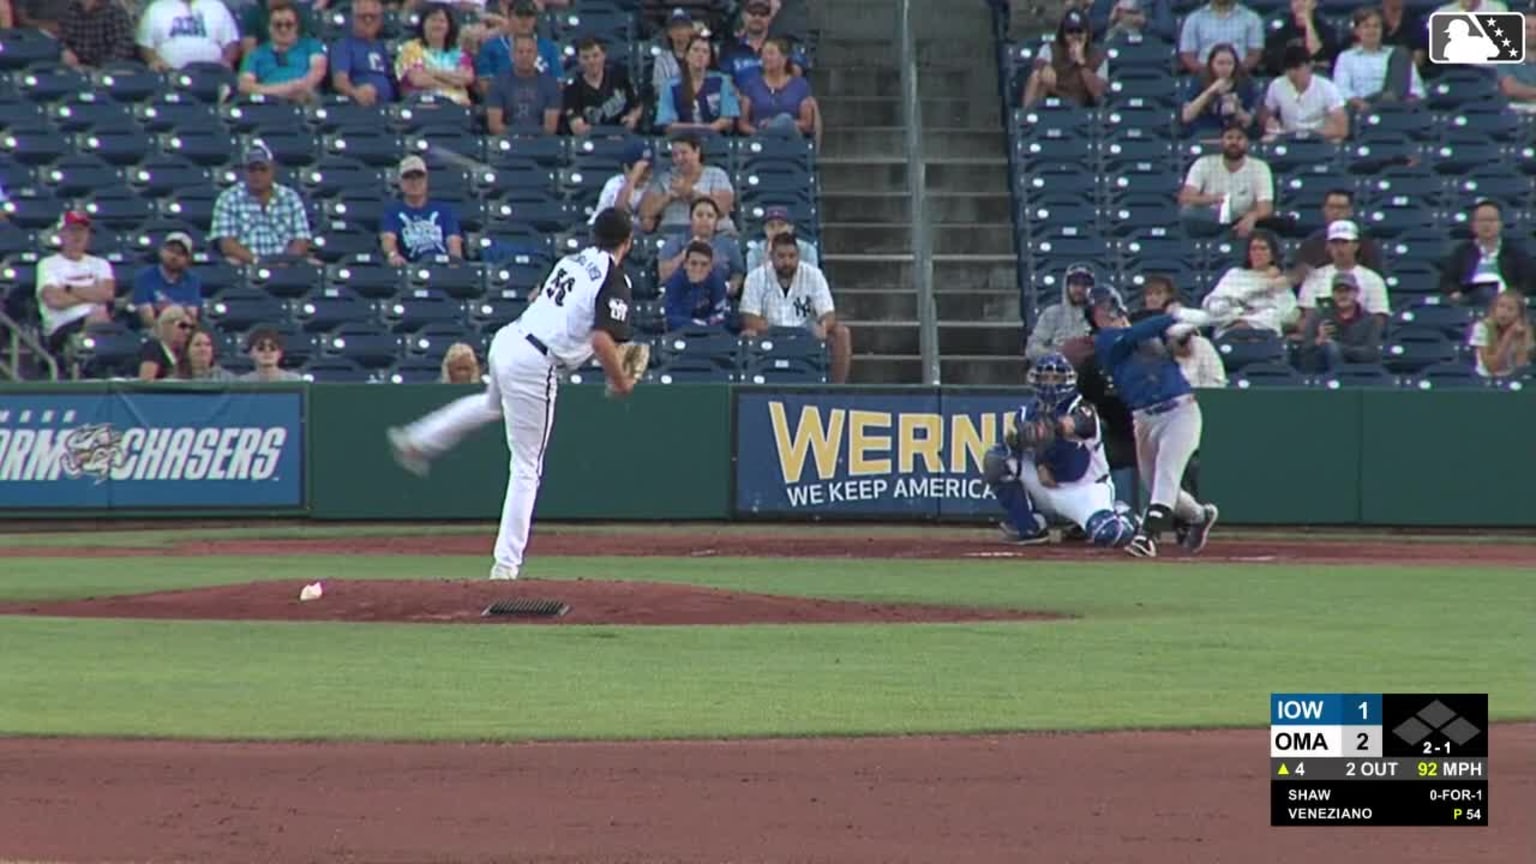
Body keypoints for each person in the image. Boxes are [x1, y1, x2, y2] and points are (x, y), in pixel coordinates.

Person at [386, 209, 642, 581]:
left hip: (510, 340)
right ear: (628, 242)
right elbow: (603, 339)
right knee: (526, 468)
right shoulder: (613, 278)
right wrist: (620, 382)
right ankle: (505, 567)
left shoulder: (571, 260)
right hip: (535, 362)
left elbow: (540, 296)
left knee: (491, 405)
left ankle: (418, 441)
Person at [1087, 285, 1226, 558]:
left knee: (1166, 474)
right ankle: (1200, 515)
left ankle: (1147, 536)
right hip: (1143, 418)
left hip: (1179, 410)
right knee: (1159, 488)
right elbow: (1134, 336)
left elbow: (1180, 348)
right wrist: (1174, 316)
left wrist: (1182, 334)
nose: (1101, 314)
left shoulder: (1148, 329)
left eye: (1104, 306)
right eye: (1096, 310)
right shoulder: (1106, 340)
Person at [982, 352, 1140, 547]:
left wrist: (1053, 428)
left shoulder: (1081, 406)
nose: (1050, 383)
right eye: (1045, 378)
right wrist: (1030, 453)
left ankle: (1124, 514)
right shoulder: (1026, 413)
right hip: (1048, 484)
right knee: (997, 458)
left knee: (1108, 534)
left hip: (1084, 488)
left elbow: (1082, 425)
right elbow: (1023, 443)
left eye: (1056, 378)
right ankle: (1029, 527)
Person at [739, 232, 853, 383]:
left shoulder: (814, 275)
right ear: (771, 256)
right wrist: (778, 331)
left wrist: (823, 326)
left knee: (841, 333)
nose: (787, 261)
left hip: (807, 333)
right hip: (768, 333)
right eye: (781, 256)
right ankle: (749, 388)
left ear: (798, 256)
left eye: (791, 256)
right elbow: (749, 317)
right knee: (747, 335)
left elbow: (828, 312)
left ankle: (835, 390)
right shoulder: (755, 277)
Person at [210, 144, 313, 265]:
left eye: (263, 169)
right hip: (246, 264)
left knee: (313, 264)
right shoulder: (228, 198)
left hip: (286, 264)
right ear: (244, 171)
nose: (257, 174)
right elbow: (227, 244)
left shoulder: (290, 197)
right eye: (252, 169)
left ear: (272, 170)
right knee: (230, 262)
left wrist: (287, 262)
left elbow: (301, 239)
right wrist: (257, 261)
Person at [37, 210, 116, 356]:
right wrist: (92, 293)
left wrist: (68, 289)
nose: (77, 235)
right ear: (61, 234)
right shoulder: (48, 264)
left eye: (82, 230)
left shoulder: (100, 264)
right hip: (63, 327)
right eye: (72, 230)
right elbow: (55, 300)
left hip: (100, 321)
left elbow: (107, 295)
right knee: (98, 317)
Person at [1204, 229, 1297, 336]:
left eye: (1263, 249)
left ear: (1273, 253)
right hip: (1231, 327)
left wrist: (1249, 322)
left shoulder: (1280, 281)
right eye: (1253, 249)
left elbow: (1286, 312)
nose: (1258, 253)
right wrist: (1236, 314)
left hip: (1264, 332)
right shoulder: (1235, 274)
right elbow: (1213, 303)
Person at [1331, 6, 1425, 110]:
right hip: (1362, 106)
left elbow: (1417, 89)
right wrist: (1360, 104)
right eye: (1366, 26)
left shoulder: (1397, 55)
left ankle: (1389, 102)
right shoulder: (1346, 57)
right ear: (1357, 31)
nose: (1372, 30)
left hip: (1397, 107)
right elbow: (1341, 89)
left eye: (1376, 26)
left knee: (1402, 54)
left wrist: (1410, 101)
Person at [237, 0, 328, 103]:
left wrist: (301, 87)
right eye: (278, 25)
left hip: (305, 99)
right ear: (269, 28)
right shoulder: (256, 54)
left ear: (296, 26)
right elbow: (245, 85)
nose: (283, 29)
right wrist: (285, 90)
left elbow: (318, 71)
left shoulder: (312, 45)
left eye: (288, 25)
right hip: (269, 103)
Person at [381, 155, 465, 264]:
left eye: (419, 177)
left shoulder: (444, 210)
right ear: (400, 182)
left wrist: (455, 263)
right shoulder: (392, 212)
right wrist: (393, 255)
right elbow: (388, 239)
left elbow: (454, 242)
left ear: (426, 180)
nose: (414, 182)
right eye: (408, 177)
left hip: (443, 267)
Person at [1296, 272, 1384, 373]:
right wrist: (1319, 340)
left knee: (1333, 348)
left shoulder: (1370, 320)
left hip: (1357, 371)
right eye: (1338, 291)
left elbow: (1371, 353)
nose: (1343, 295)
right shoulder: (1320, 317)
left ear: (1356, 292)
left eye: (1347, 291)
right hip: (1323, 372)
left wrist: (1340, 349)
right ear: (1332, 294)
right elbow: (1304, 349)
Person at [1022, 8, 1109, 108]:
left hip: (1081, 109)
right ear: (1063, 34)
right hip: (1052, 100)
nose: (1075, 35)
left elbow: (1099, 93)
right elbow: (1037, 66)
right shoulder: (1050, 49)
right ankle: (1027, 116)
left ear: (1087, 33)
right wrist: (1044, 67)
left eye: (1079, 31)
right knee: (1037, 76)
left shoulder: (1098, 56)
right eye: (1070, 31)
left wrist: (1081, 64)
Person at [656, 35, 741, 136]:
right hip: (681, 141)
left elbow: (728, 120)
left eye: (705, 51)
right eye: (695, 50)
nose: (700, 55)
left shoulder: (723, 81)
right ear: (687, 55)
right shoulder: (670, 86)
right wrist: (698, 130)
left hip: (715, 140)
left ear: (709, 59)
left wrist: (707, 130)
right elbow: (667, 125)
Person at [395, 3, 475, 105]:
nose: (437, 25)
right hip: (423, 105)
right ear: (423, 23)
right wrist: (452, 82)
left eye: (442, 21)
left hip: (458, 106)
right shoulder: (410, 48)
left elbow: (466, 78)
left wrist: (431, 72)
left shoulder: (459, 52)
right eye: (433, 20)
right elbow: (418, 80)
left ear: (449, 26)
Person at [561, 37, 642, 134]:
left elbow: (637, 105)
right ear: (579, 60)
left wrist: (633, 117)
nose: (591, 61)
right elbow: (577, 128)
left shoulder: (619, 77)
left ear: (604, 56)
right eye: (585, 57)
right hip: (593, 142)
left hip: (624, 137)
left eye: (595, 56)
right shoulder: (572, 89)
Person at [737, 37, 816, 136]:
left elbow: (806, 123)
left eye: (770, 53)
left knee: (785, 119)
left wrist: (775, 125)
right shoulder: (751, 85)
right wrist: (762, 133)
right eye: (763, 54)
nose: (765, 57)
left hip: (791, 140)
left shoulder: (801, 85)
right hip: (760, 139)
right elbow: (743, 124)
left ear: (784, 58)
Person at [485, 34, 563, 135]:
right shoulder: (497, 83)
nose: (524, 56)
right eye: (520, 52)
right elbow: (494, 126)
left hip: (541, 143)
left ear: (536, 55)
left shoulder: (551, 84)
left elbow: (550, 128)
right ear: (512, 55)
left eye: (529, 51)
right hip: (506, 142)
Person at [1180, 43, 1257, 139]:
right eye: (1220, 63)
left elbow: (1248, 122)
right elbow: (1186, 116)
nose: (1225, 68)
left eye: (1229, 63)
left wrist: (1237, 108)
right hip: (1205, 133)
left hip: (1235, 136)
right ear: (1211, 63)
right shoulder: (1199, 80)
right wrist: (1209, 92)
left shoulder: (1245, 83)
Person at [330, 0, 398, 106]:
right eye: (363, 16)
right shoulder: (344, 45)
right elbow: (340, 81)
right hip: (359, 107)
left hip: (387, 107)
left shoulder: (382, 46)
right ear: (353, 18)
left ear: (380, 19)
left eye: (373, 16)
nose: (368, 20)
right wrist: (355, 92)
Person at [1025, 262, 1096, 361]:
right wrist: (1059, 355)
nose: (1080, 289)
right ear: (1066, 286)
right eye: (1075, 283)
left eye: (1085, 285)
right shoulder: (1052, 314)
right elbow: (1032, 348)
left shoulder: (1099, 316)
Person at [131, 232, 202, 328]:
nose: (174, 256)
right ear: (161, 251)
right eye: (171, 250)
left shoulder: (192, 279)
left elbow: (192, 316)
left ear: (188, 259)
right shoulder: (144, 276)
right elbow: (147, 319)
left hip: (184, 332)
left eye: (180, 253)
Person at [662, 240, 729, 330]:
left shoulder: (717, 282)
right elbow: (671, 318)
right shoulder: (674, 282)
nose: (698, 269)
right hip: (680, 334)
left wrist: (701, 324)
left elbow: (721, 316)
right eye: (693, 263)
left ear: (710, 267)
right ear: (685, 264)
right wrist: (699, 324)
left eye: (704, 264)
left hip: (711, 334)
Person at [1468, 290, 1533, 378]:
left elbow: (1520, 365)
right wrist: (1509, 335)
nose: (1504, 312)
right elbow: (1492, 367)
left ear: (1519, 315)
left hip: (1513, 379)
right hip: (1485, 379)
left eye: (1510, 309)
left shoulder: (1523, 329)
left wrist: (1523, 338)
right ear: (1494, 308)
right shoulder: (1482, 327)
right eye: (1501, 306)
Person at [138, 304, 193, 380]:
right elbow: (145, 384)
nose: (187, 332)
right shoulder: (152, 348)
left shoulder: (183, 354)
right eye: (182, 326)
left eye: (190, 327)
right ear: (165, 325)